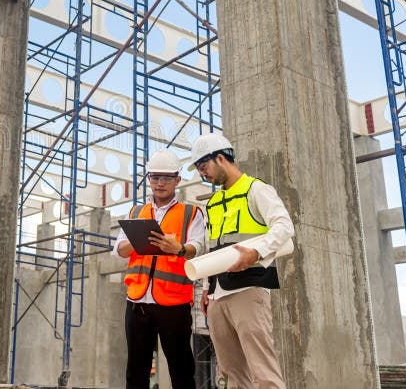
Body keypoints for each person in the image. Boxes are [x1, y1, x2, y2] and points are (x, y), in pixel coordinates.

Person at [190, 133, 294, 389]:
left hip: (248, 290)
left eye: (204, 167)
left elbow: (284, 226)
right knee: (231, 374)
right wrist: (206, 288)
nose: (203, 174)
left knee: (263, 371)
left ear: (221, 158)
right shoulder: (213, 203)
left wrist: (256, 252)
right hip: (217, 296)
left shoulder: (256, 189)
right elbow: (211, 248)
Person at [113, 148, 206, 389]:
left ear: (178, 180)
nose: (160, 183)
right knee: (136, 371)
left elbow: (198, 247)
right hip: (138, 302)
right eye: (155, 177)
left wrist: (179, 248)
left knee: (181, 370)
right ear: (148, 179)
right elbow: (119, 250)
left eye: (166, 178)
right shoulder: (135, 213)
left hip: (174, 304)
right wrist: (135, 241)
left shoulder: (190, 213)